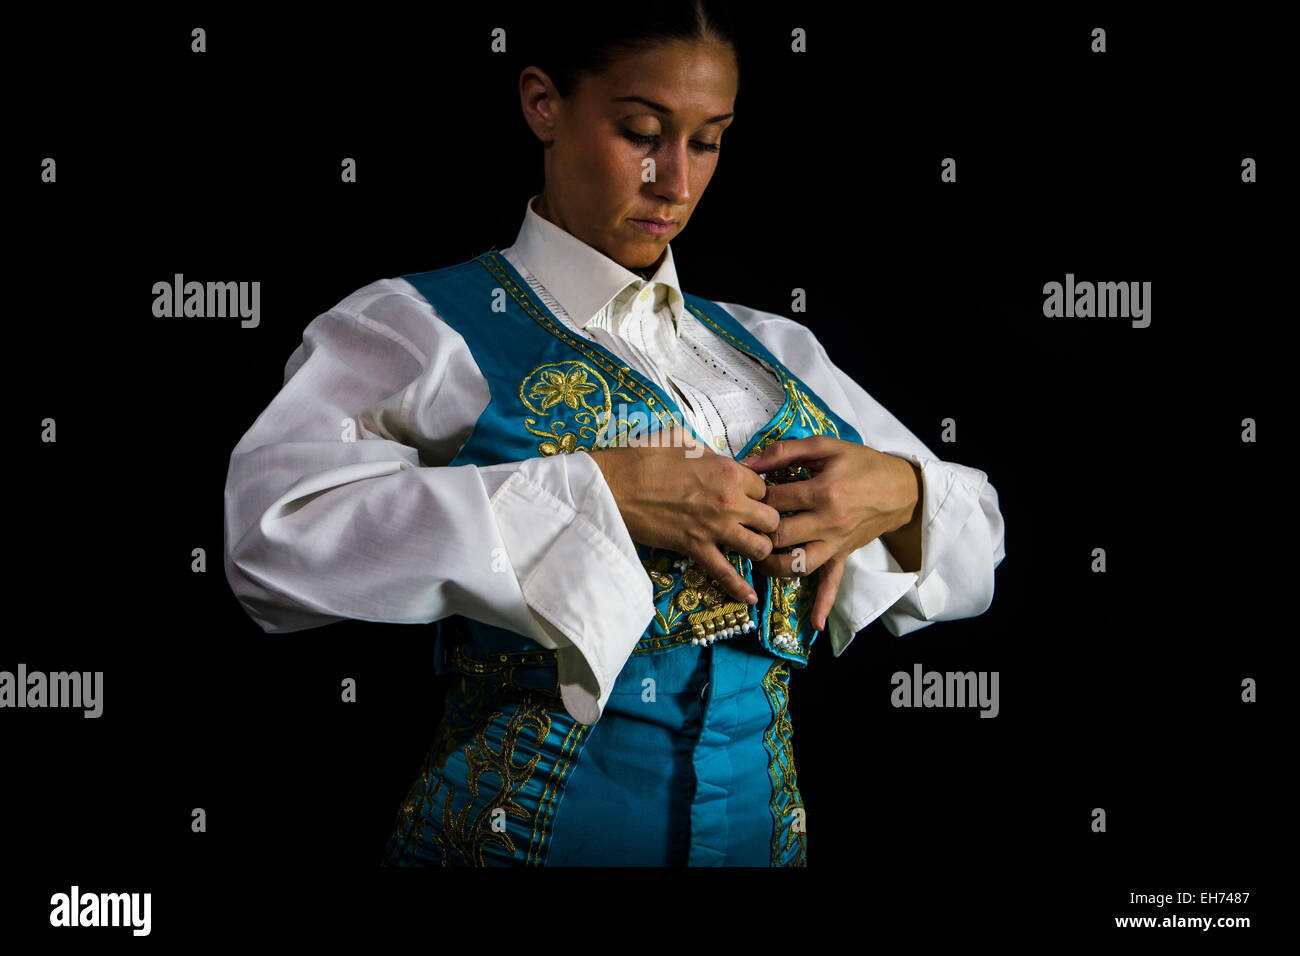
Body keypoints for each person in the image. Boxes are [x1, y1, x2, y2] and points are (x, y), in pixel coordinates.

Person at [222, 0, 1006, 867]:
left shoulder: (771, 349)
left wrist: (903, 492)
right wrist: (593, 492)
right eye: (641, 131)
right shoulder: (419, 326)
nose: (674, 180)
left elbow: (979, 556)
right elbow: (270, 545)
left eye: (707, 141)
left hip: (762, 841)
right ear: (542, 104)